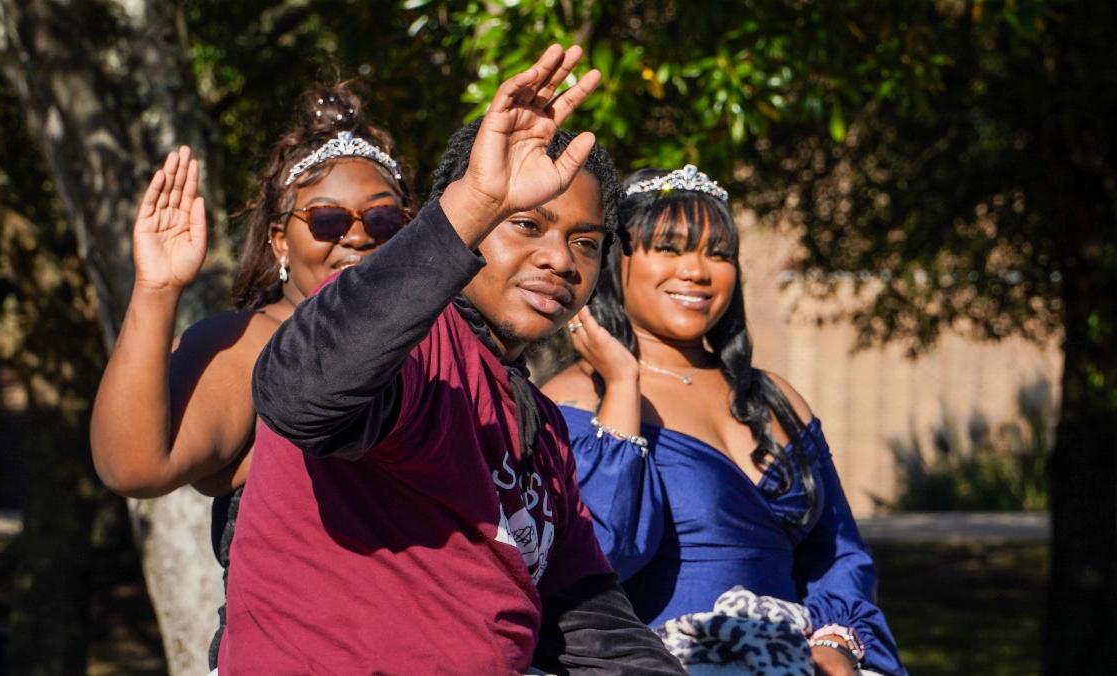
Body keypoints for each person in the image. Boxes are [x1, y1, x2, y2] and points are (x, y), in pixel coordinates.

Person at [224, 45, 684, 674]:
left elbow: (591, 621)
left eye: (585, 242)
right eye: (526, 224)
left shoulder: (543, 428)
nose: (560, 259)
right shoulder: (407, 344)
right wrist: (475, 201)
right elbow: (302, 394)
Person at [89, 82, 414, 667]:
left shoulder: (441, 354)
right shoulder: (248, 344)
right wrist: (157, 288)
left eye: (384, 218)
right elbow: (133, 465)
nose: (358, 235)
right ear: (279, 240)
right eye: (327, 219)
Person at [540, 165, 907, 675]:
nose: (697, 271)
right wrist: (622, 386)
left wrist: (836, 642)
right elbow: (603, 555)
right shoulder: (573, 400)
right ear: (614, 260)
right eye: (669, 248)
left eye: (719, 254)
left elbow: (838, 550)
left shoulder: (774, 396)